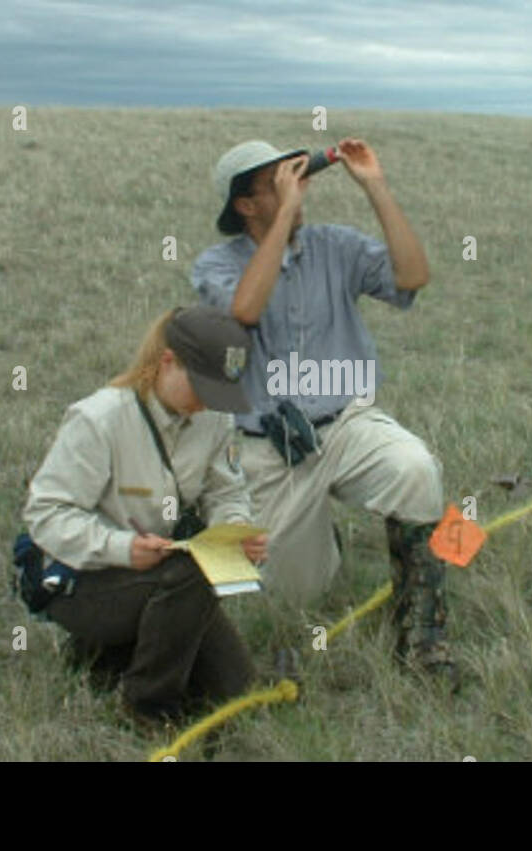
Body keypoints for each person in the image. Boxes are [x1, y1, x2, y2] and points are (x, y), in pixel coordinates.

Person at [191, 138, 457, 687]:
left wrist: (374, 186)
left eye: (297, 179)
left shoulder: (335, 245)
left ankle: (422, 640)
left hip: (346, 423)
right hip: (269, 446)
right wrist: (285, 213)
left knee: (416, 470)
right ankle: (308, 536)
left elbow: (412, 277)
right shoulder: (215, 265)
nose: (298, 186)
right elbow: (244, 310)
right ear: (246, 205)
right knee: (289, 596)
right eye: (277, 184)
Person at [20, 306, 269, 721]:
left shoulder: (215, 419)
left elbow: (227, 490)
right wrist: (122, 548)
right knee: (191, 573)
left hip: (162, 575)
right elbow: (45, 514)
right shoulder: (100, 419)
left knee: (235, 691)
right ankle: (147, 706)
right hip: (83, 580)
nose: (209, 404)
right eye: (203, 387)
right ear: (167, 362)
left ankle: (111, 656)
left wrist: (235, 530)